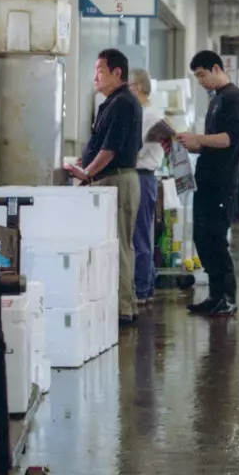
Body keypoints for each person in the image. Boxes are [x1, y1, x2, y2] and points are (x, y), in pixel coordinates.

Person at [65, 48, 142, 327]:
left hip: (117, 179)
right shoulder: (114, 102)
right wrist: (83, 161)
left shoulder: (122, 103)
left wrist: (85, 172)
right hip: (115, 179)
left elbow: (110, 150)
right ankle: (126, 304)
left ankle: (123, 308)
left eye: (100, 70)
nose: (95, 76)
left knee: (118, 246)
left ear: (116, 72)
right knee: (121, 245)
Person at [178, 51, 239, 317]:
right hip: (206, 179)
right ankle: (215, 296)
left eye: (201, 75)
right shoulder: (216, 99)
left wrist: (199, 139)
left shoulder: (233, 98)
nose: (199, 81)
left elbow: (230, 139)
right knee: (202, 238)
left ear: (216, 68)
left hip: (221, 182)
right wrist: (191, 145)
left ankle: (227, 298)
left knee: (215, 240)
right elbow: (213, 142)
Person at [129, 69, 165, 304]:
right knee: (142, 233)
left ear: (140, 87)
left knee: (140, 233)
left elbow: (134, 147)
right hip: (143, 176)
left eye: (130, 85)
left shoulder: (149, 115)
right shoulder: (145, 112)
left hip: (142, 176)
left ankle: (142, 288)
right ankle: (146, 284)